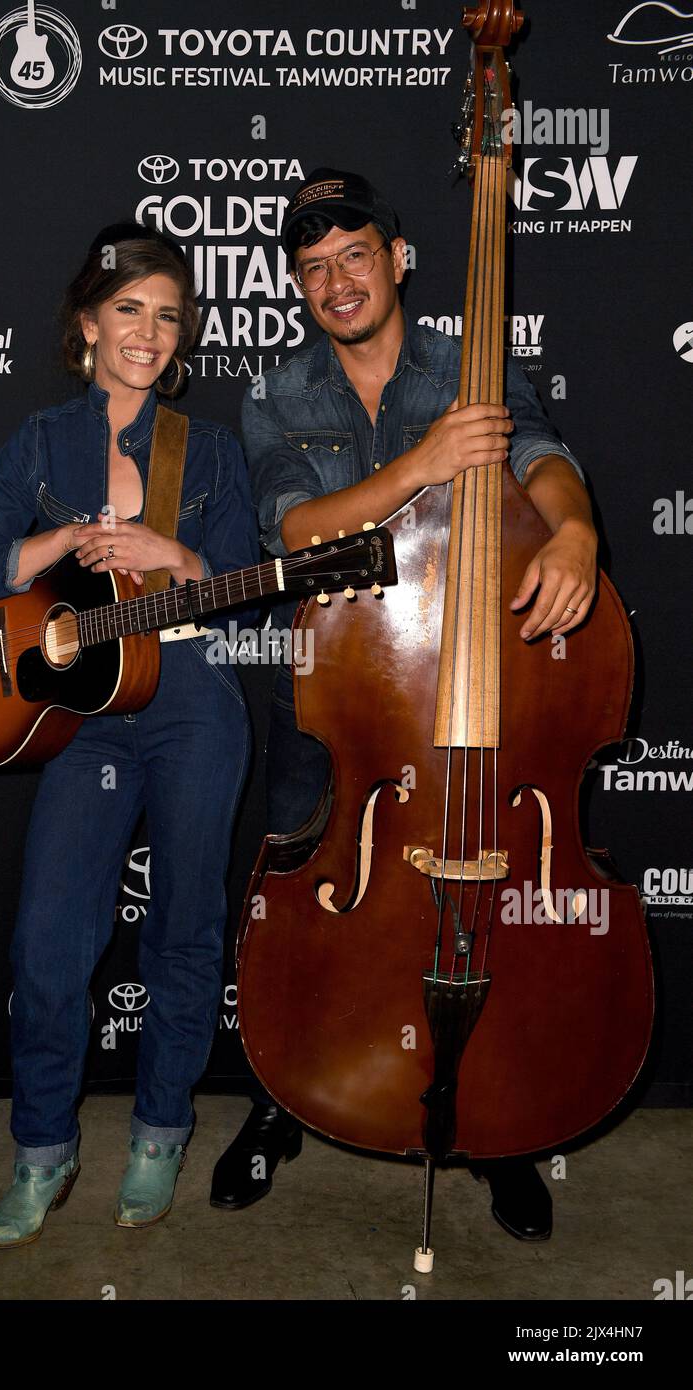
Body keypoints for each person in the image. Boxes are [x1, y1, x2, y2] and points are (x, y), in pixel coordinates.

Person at [211, 167, 599, 1242]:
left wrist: (572, 532)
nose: (335, 280)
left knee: (495, 917)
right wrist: (424, 463)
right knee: (307, 921)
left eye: (352, 255)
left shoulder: (468, 367)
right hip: (336, 710)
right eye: (311, 266)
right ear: (297, 285)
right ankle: (281, 1098)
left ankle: (497, 1125)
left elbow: (542, 457)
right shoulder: (274, 392)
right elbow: (295, 532)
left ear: (396, 259)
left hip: (467, 701)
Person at [0, 221, 258, 1246]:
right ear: (89, 323)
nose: (148, 332)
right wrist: (63, 541)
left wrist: (174, 555)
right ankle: (42, 1148)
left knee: (183, 929)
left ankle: (161, 1129)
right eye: (129, 310)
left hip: (191, 700)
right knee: (47, 940)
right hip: (82, 718)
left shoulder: (205, 449)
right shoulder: (41, 439)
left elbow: (247, 597)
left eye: (168, 317)